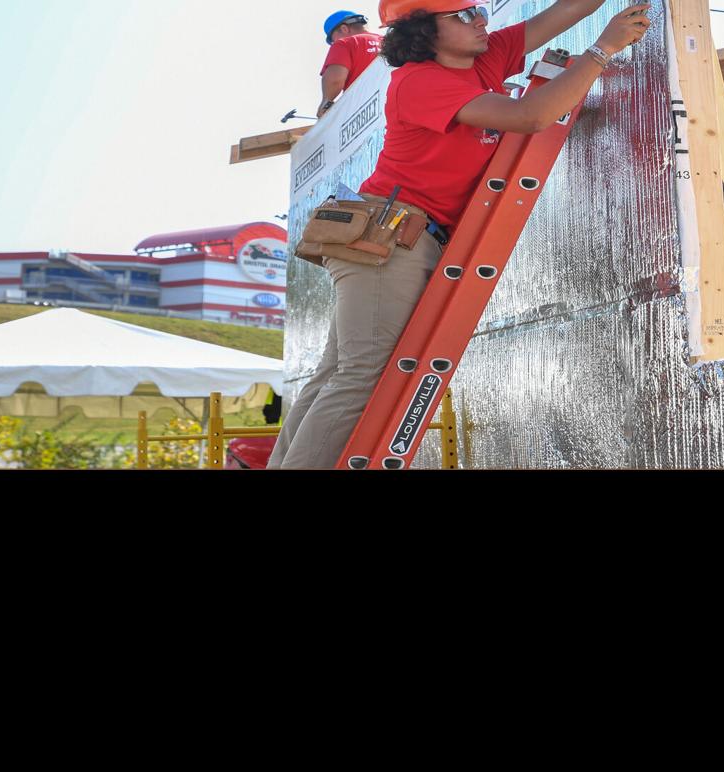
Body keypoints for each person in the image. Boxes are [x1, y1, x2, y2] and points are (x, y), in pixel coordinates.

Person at [268, 0, 651, 470]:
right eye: (464, 15)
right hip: (389, 240)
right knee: (361, 378)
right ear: (423, 30)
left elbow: (563, 12)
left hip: (395, 236)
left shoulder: (483, 57)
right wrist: (601, 50)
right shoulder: (420, 81)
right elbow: (532, 116)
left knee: (338, 373)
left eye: (479, 10)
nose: (481, 21)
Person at [318, 10, 383, 118]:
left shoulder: (345, 43)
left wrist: (326, 102)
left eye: (333, 40)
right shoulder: (391, 42)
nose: (334, 44)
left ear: (344, 28)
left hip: (366, 112)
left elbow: (335, 80)